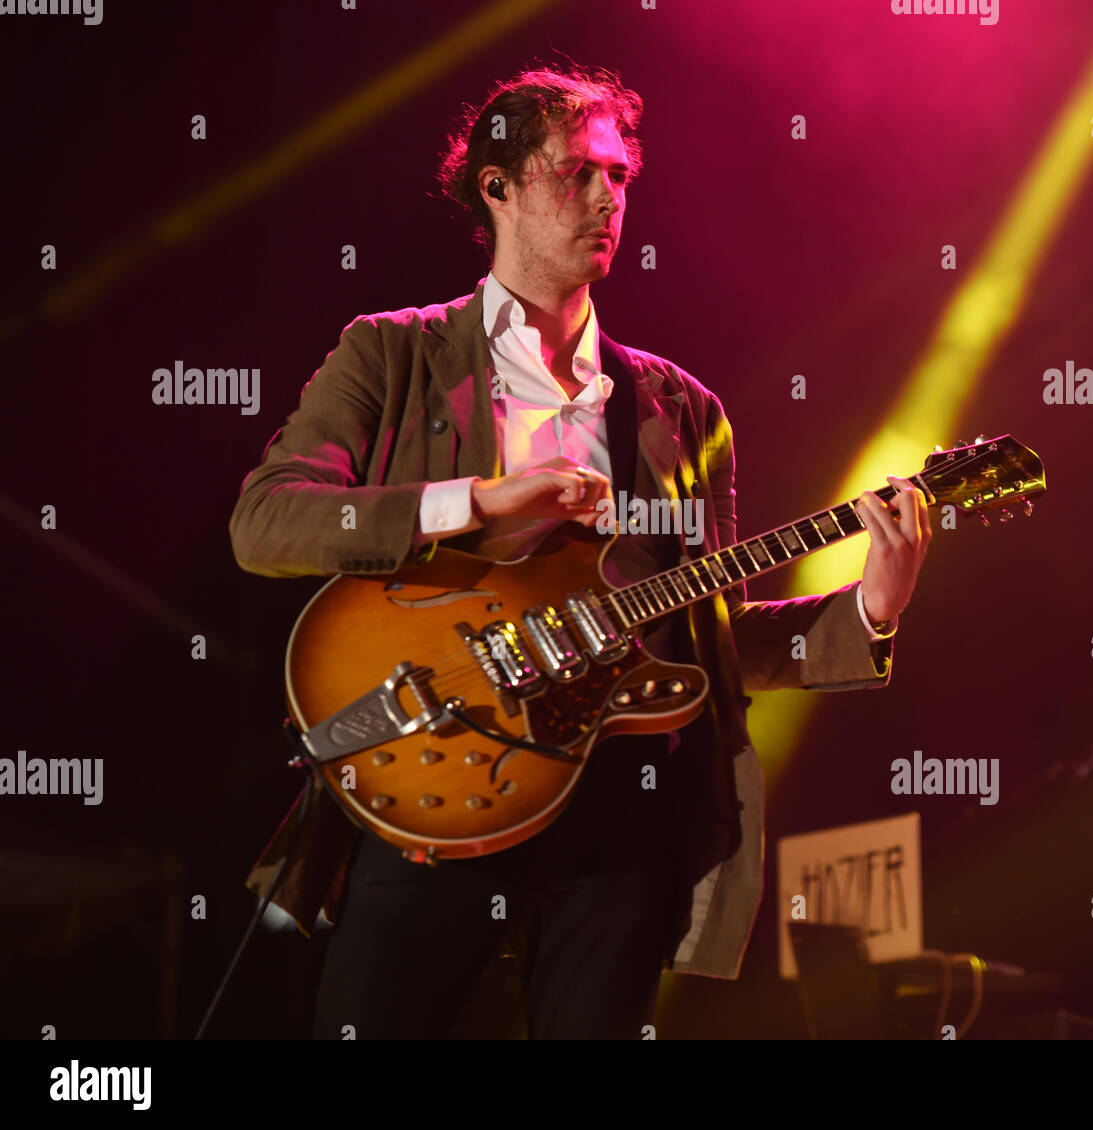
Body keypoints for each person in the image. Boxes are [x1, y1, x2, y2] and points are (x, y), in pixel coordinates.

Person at [229, 63, 931, 1040]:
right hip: (432, 785)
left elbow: (701, 640)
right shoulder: (392, 354)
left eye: (619, 175)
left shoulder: (682, 411)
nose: (609, 197)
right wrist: (474, 499)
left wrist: (870, 606)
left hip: (615, 820)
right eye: (576, 173)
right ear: (497, 186)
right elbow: (267, 522)